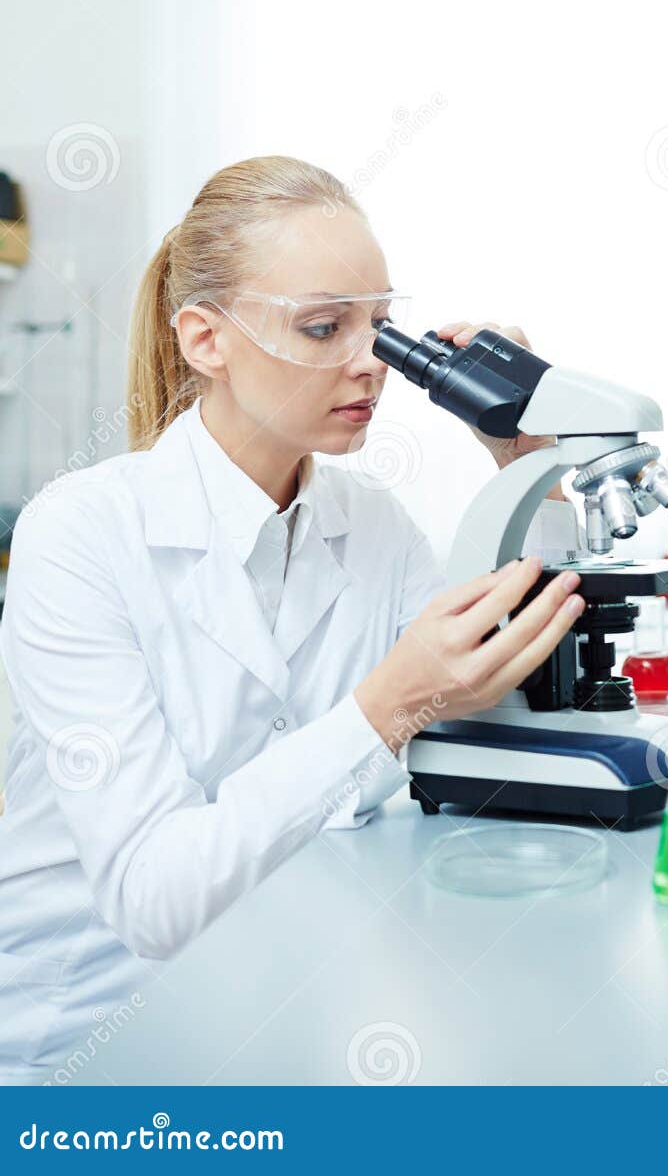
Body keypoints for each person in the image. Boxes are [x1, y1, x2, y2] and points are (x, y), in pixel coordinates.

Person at [0, 155, 585, 1084]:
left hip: (279, 1016)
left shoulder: (374, 526)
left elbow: (502, 685)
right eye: (323, 327)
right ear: (206, 340)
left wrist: (525, 459)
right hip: (79, 1046)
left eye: (380, 326)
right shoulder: (80, 534)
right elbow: (152, 897)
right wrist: (384, 707)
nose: (371, 362)